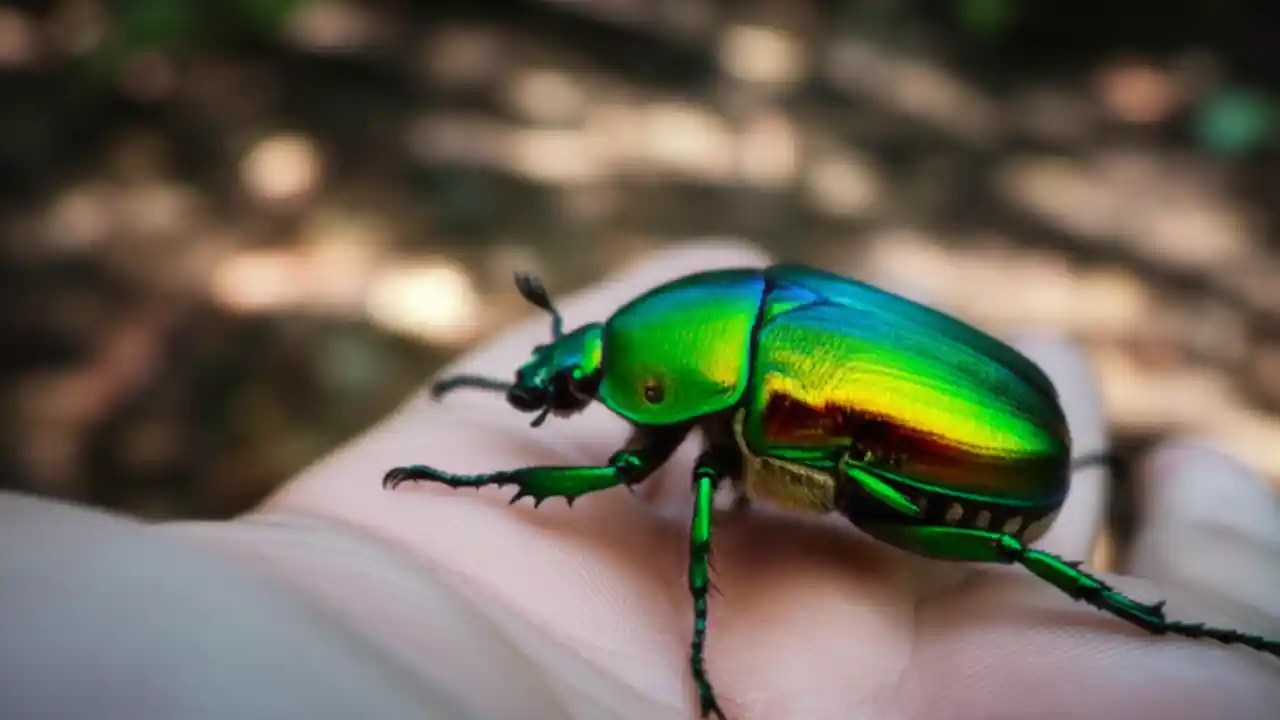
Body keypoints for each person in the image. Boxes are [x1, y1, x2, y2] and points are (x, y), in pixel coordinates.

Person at [2, 240, 1277, 719]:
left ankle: (1153, 624)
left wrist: (698, 615)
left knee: (985, 550)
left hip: (994, 462)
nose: (577, 381)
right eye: (579, 366)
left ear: (669, 362)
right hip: (985, 406)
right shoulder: (711, 339)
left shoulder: (726, 404)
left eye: (590, 364)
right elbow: (640, 450)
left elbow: (646, 475)